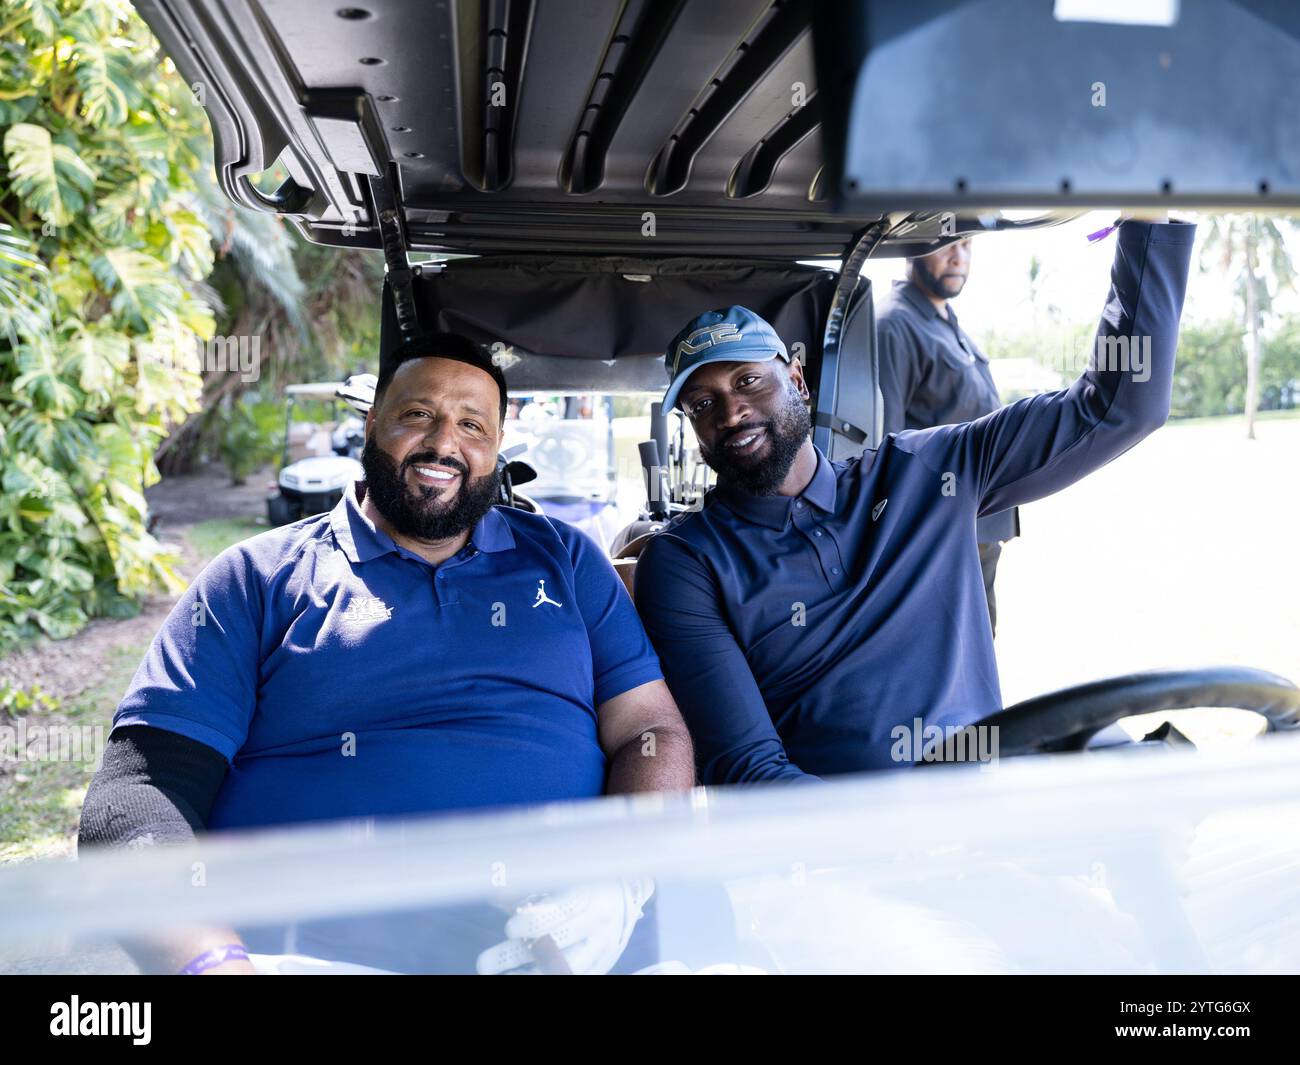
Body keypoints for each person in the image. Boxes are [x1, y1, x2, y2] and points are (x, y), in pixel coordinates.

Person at [78, 332, 695, 974]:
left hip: (569, 945)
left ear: (497, 445)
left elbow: (651, 729)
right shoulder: (256, 577)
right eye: (419, 415)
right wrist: (212, 963)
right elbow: (139, 797)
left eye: (472, 425)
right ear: (372, 423)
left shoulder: (566, 559)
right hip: (310, 957)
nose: (444, 444)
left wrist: (625, 878)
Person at [634, 218, 1194, 784]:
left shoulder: (926, 471)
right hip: (847, 853)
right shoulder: (686, 562)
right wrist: (901, 849)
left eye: (749, 382)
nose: (732, 414)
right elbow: (749, 768)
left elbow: (1118, 409)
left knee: (1145, 763)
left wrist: (1152, 229)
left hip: (988, 805)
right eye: (703, 405)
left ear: (797, 381)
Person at [876, 238, 1017, 632]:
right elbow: (886, 443)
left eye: (968, 244)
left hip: (980, 521)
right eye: (946, 246)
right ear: (911, 247)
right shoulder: (893, 323)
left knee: (982, 645)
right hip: (943, 531)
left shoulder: (944, 319)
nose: (959, 257)